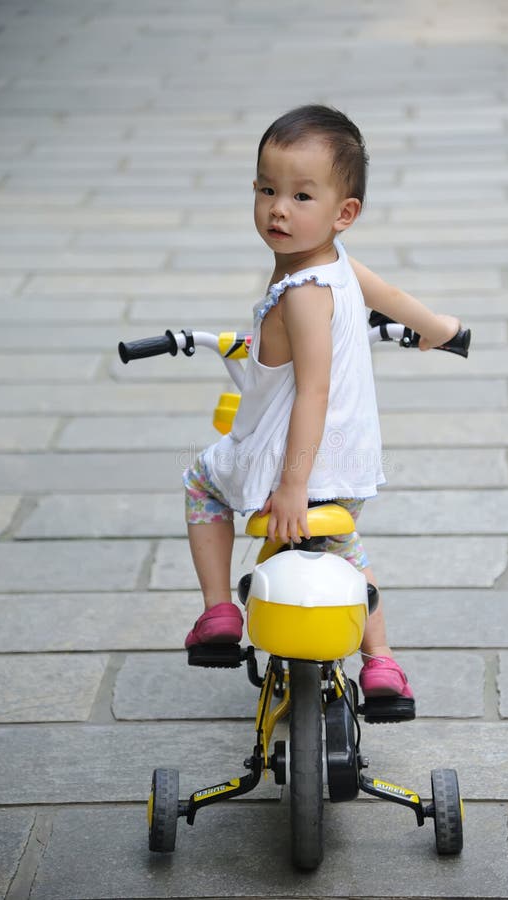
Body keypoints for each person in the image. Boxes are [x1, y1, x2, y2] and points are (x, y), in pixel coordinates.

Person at [183, 104, 460, 701]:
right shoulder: (341, 267)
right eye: (266, 189)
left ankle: (219, 613)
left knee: (201, 480)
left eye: (301, 196)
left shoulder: (301, 293)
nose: (278, 207)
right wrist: (436, 328)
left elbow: (314, 390)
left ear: (345, 212)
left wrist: (289, 485)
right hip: (348, 466)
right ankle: (381, 660)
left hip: (297, 466)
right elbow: (391, 297)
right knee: (344, 549)